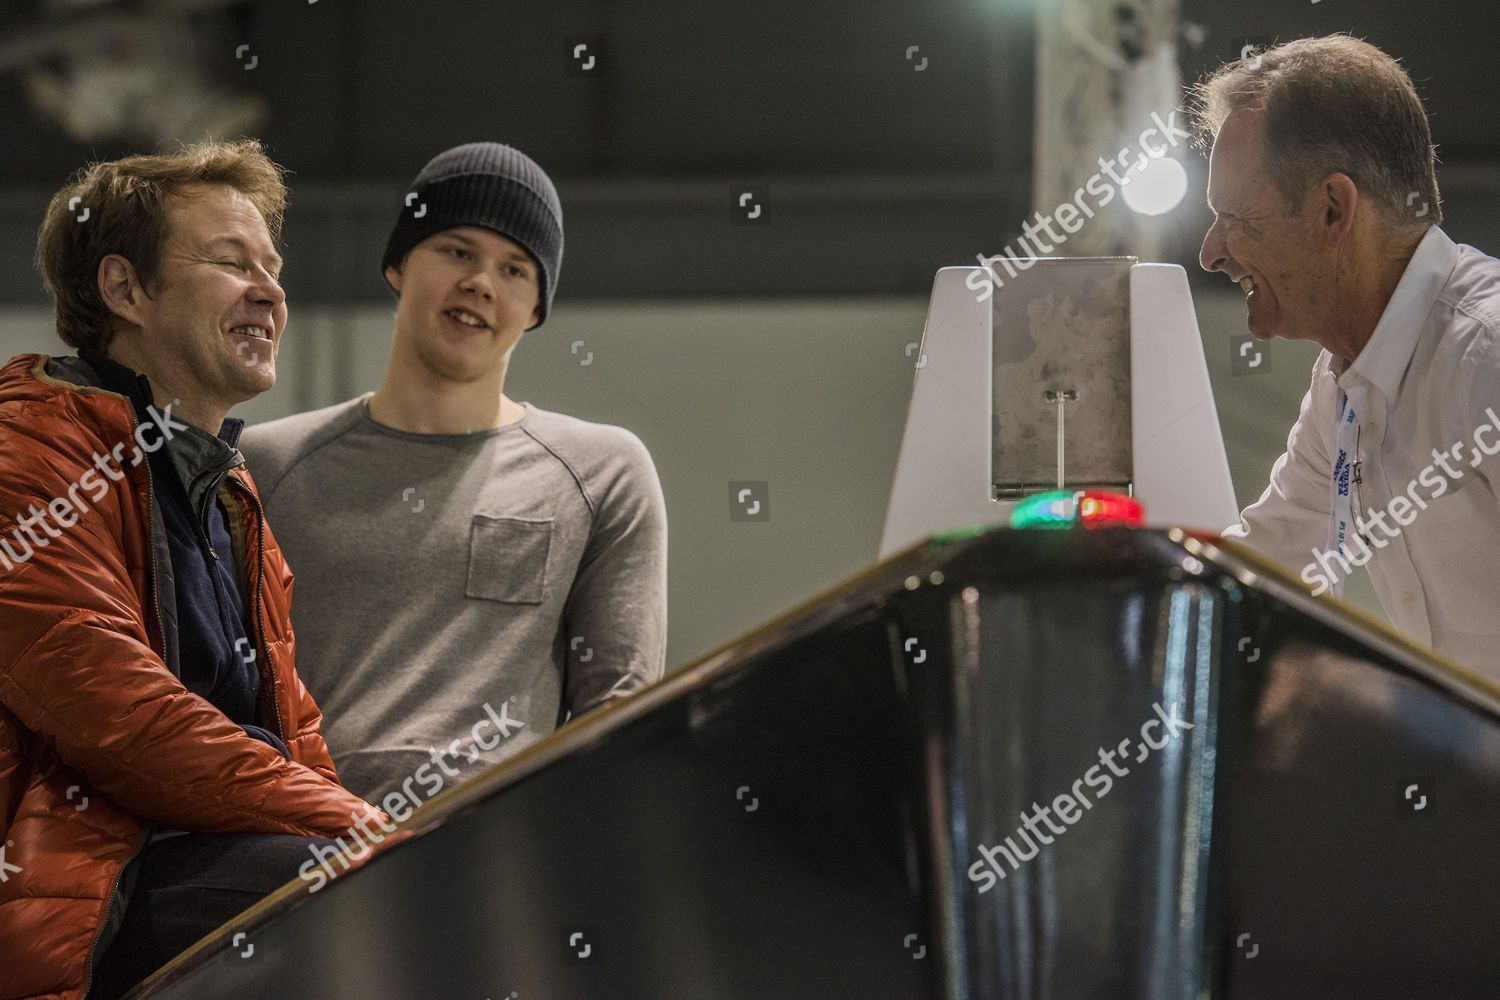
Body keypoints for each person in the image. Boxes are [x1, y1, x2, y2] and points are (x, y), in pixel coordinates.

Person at [0, 140, 387, 1000]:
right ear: (124, 290)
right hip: (83, 881)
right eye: (229, 261)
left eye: (274, 268)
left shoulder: (225, 490)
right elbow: (118, 714)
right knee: (363, 893)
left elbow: (295, 732)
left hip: (184, 857)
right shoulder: (28, 455)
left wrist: (358, 821)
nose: (272, 292)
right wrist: (358, 828)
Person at [239, 142, 668, 801]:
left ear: (536, 310)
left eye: (516, 269)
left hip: (500, 855)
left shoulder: (601, 474)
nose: (482, 283)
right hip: (303, 855)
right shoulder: (267, 466)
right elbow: (222, 698)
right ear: (398, 264)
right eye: (458, 251)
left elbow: (617, 715)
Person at [1195, 35, 1500, 679]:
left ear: (1333, 210)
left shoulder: (1487, 356)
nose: (1211, 252)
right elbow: (1271, 565)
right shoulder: (1345, 381)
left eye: (1233, 217)